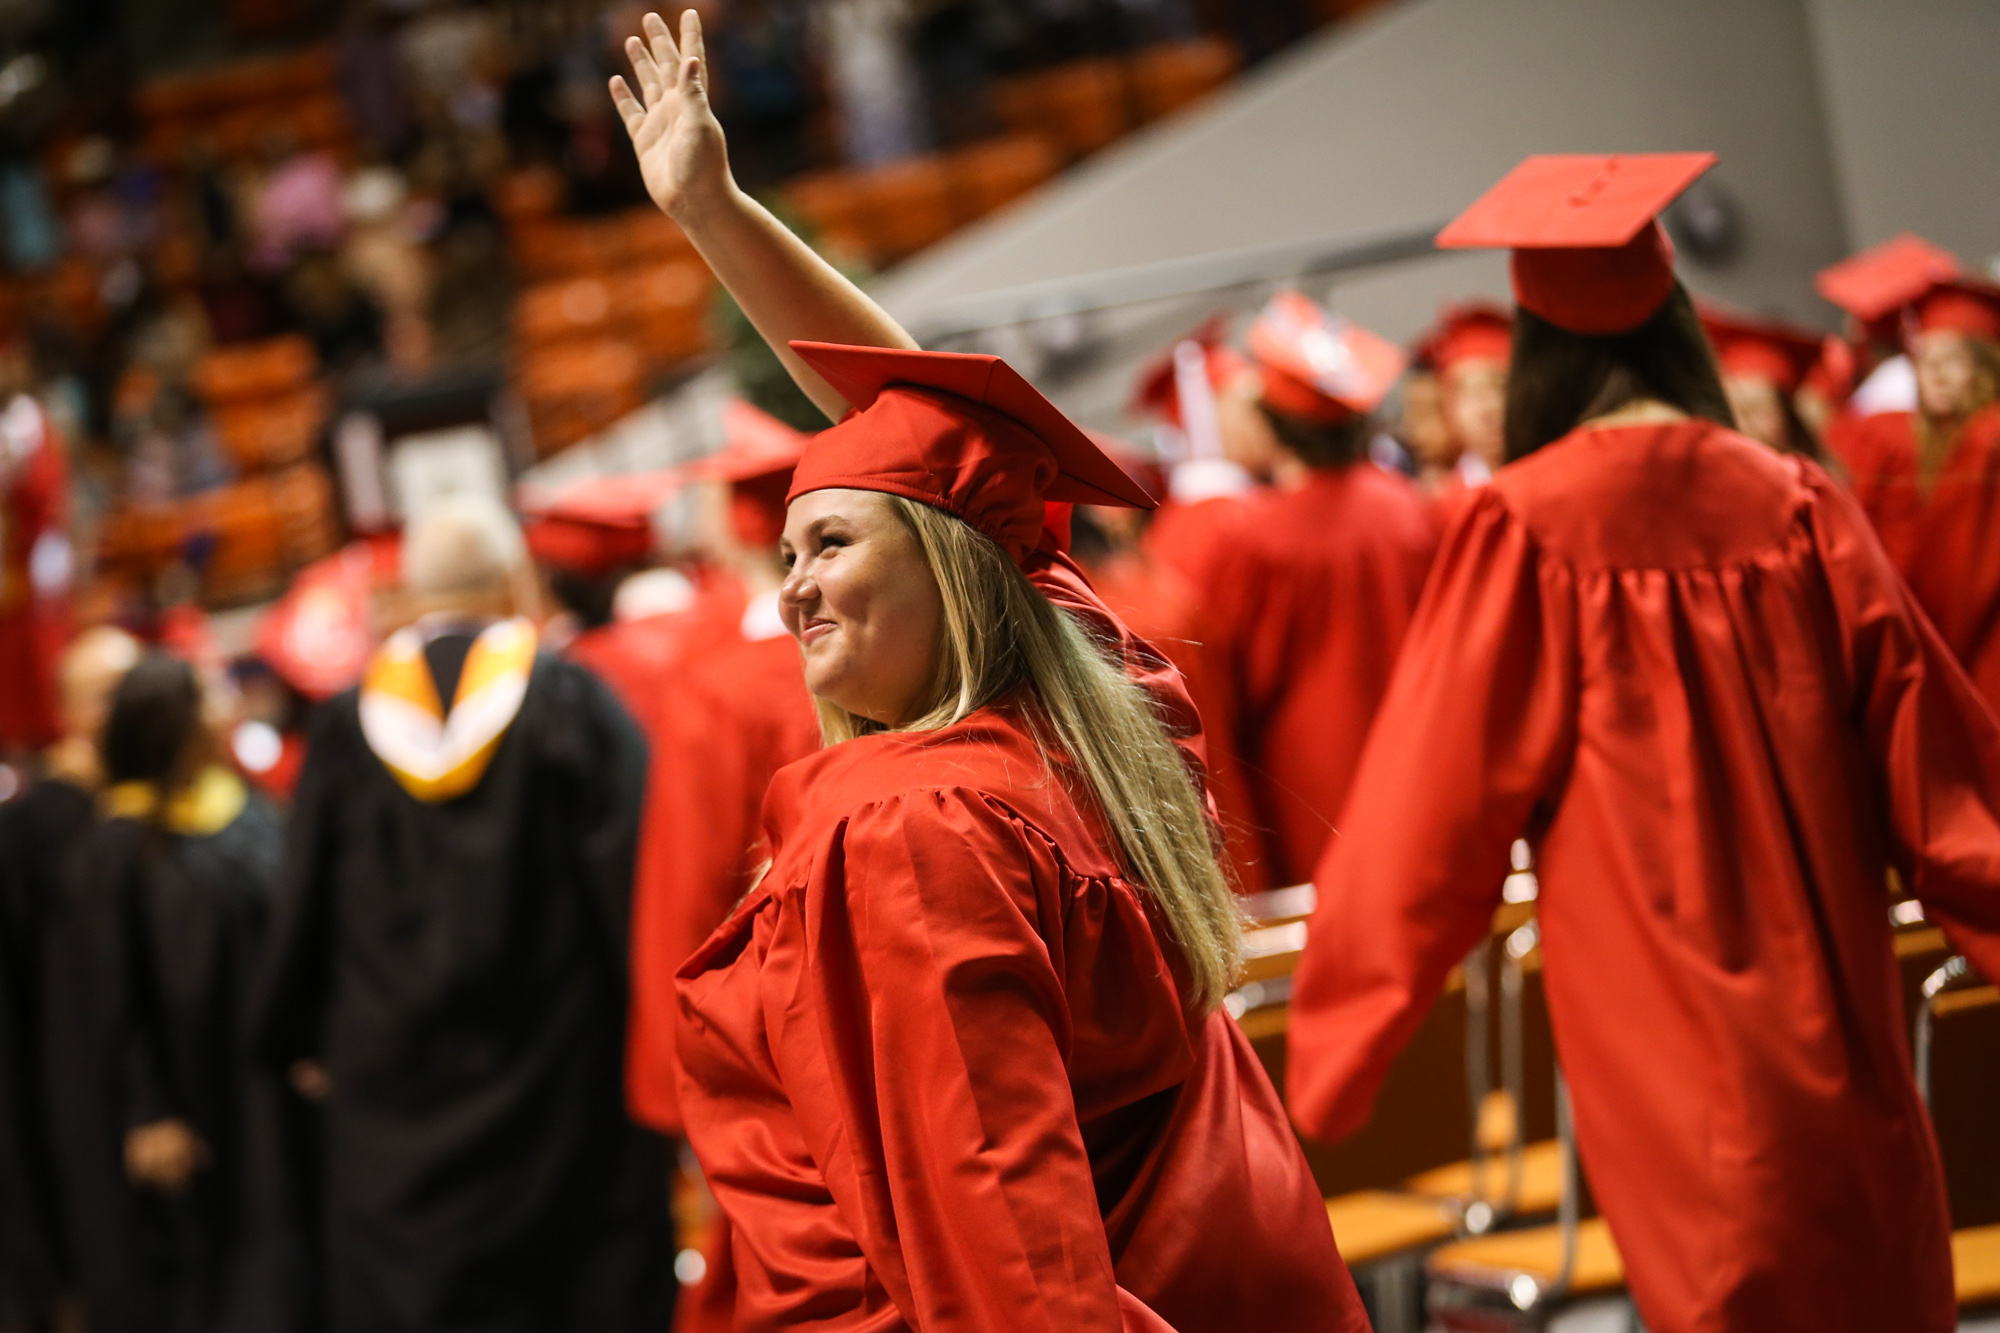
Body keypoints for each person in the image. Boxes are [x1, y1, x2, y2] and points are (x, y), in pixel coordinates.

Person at [608, 13, 1368, 1329]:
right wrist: (712, 213)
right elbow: (922, 435)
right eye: (784, 551)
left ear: (957, 565)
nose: (787, 587)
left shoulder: (906, 820)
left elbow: (1009, 1255)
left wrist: (718, 218)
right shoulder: (1112, 716)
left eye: (829, 541)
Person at [1284, 152, 2000, 1333]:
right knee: (1872, 1270)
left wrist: (1342, 1039)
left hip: (1654, 1019)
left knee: (1719, 1282)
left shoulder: (1521, 522)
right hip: (1839, 1000)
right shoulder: (1794, 499)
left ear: (1536, 352)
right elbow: (1943, 775)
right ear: (1679, 327)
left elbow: (1433, 809)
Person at [248, 495, 673, 1333]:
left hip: (395, 1092)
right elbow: (635, 882)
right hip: (557, 1071)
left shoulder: (341, 724)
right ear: (518, 582)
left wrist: (290, 1032)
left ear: (407, 595)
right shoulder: (570, 702)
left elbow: (302, 900)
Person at [43, 653, 307, 1333]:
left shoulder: (243, 810)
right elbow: (105, 990)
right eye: (211, 697)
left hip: (265, 1075)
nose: (226, 709)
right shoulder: (115, 849)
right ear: (173, 720)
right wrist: (147, 1103)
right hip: (194, 1089)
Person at [1191, 289, 1438, 888]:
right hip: (1423, 754)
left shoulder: (1254, 539)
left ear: (1276, 425)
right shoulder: (1413, 510)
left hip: (1308, 781)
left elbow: (1226, 681)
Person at [0, 627, 139, 1330]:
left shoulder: (149, 811)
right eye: (112, 693)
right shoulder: (29, 832)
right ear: (70, 709)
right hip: (77, 1124)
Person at [1836, 276, 2000, 710]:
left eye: (1954, 360)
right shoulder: (1937, 441)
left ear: (1987, 365)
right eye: (1925, 360)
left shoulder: (1986, 441)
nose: (1936, 374)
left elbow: (1962, 583)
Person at [1697, 302, 1826, 457]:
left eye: (1757, 410)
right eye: (1735, 411)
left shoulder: (1810, 476)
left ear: (1786, 416)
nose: (1746, 425)